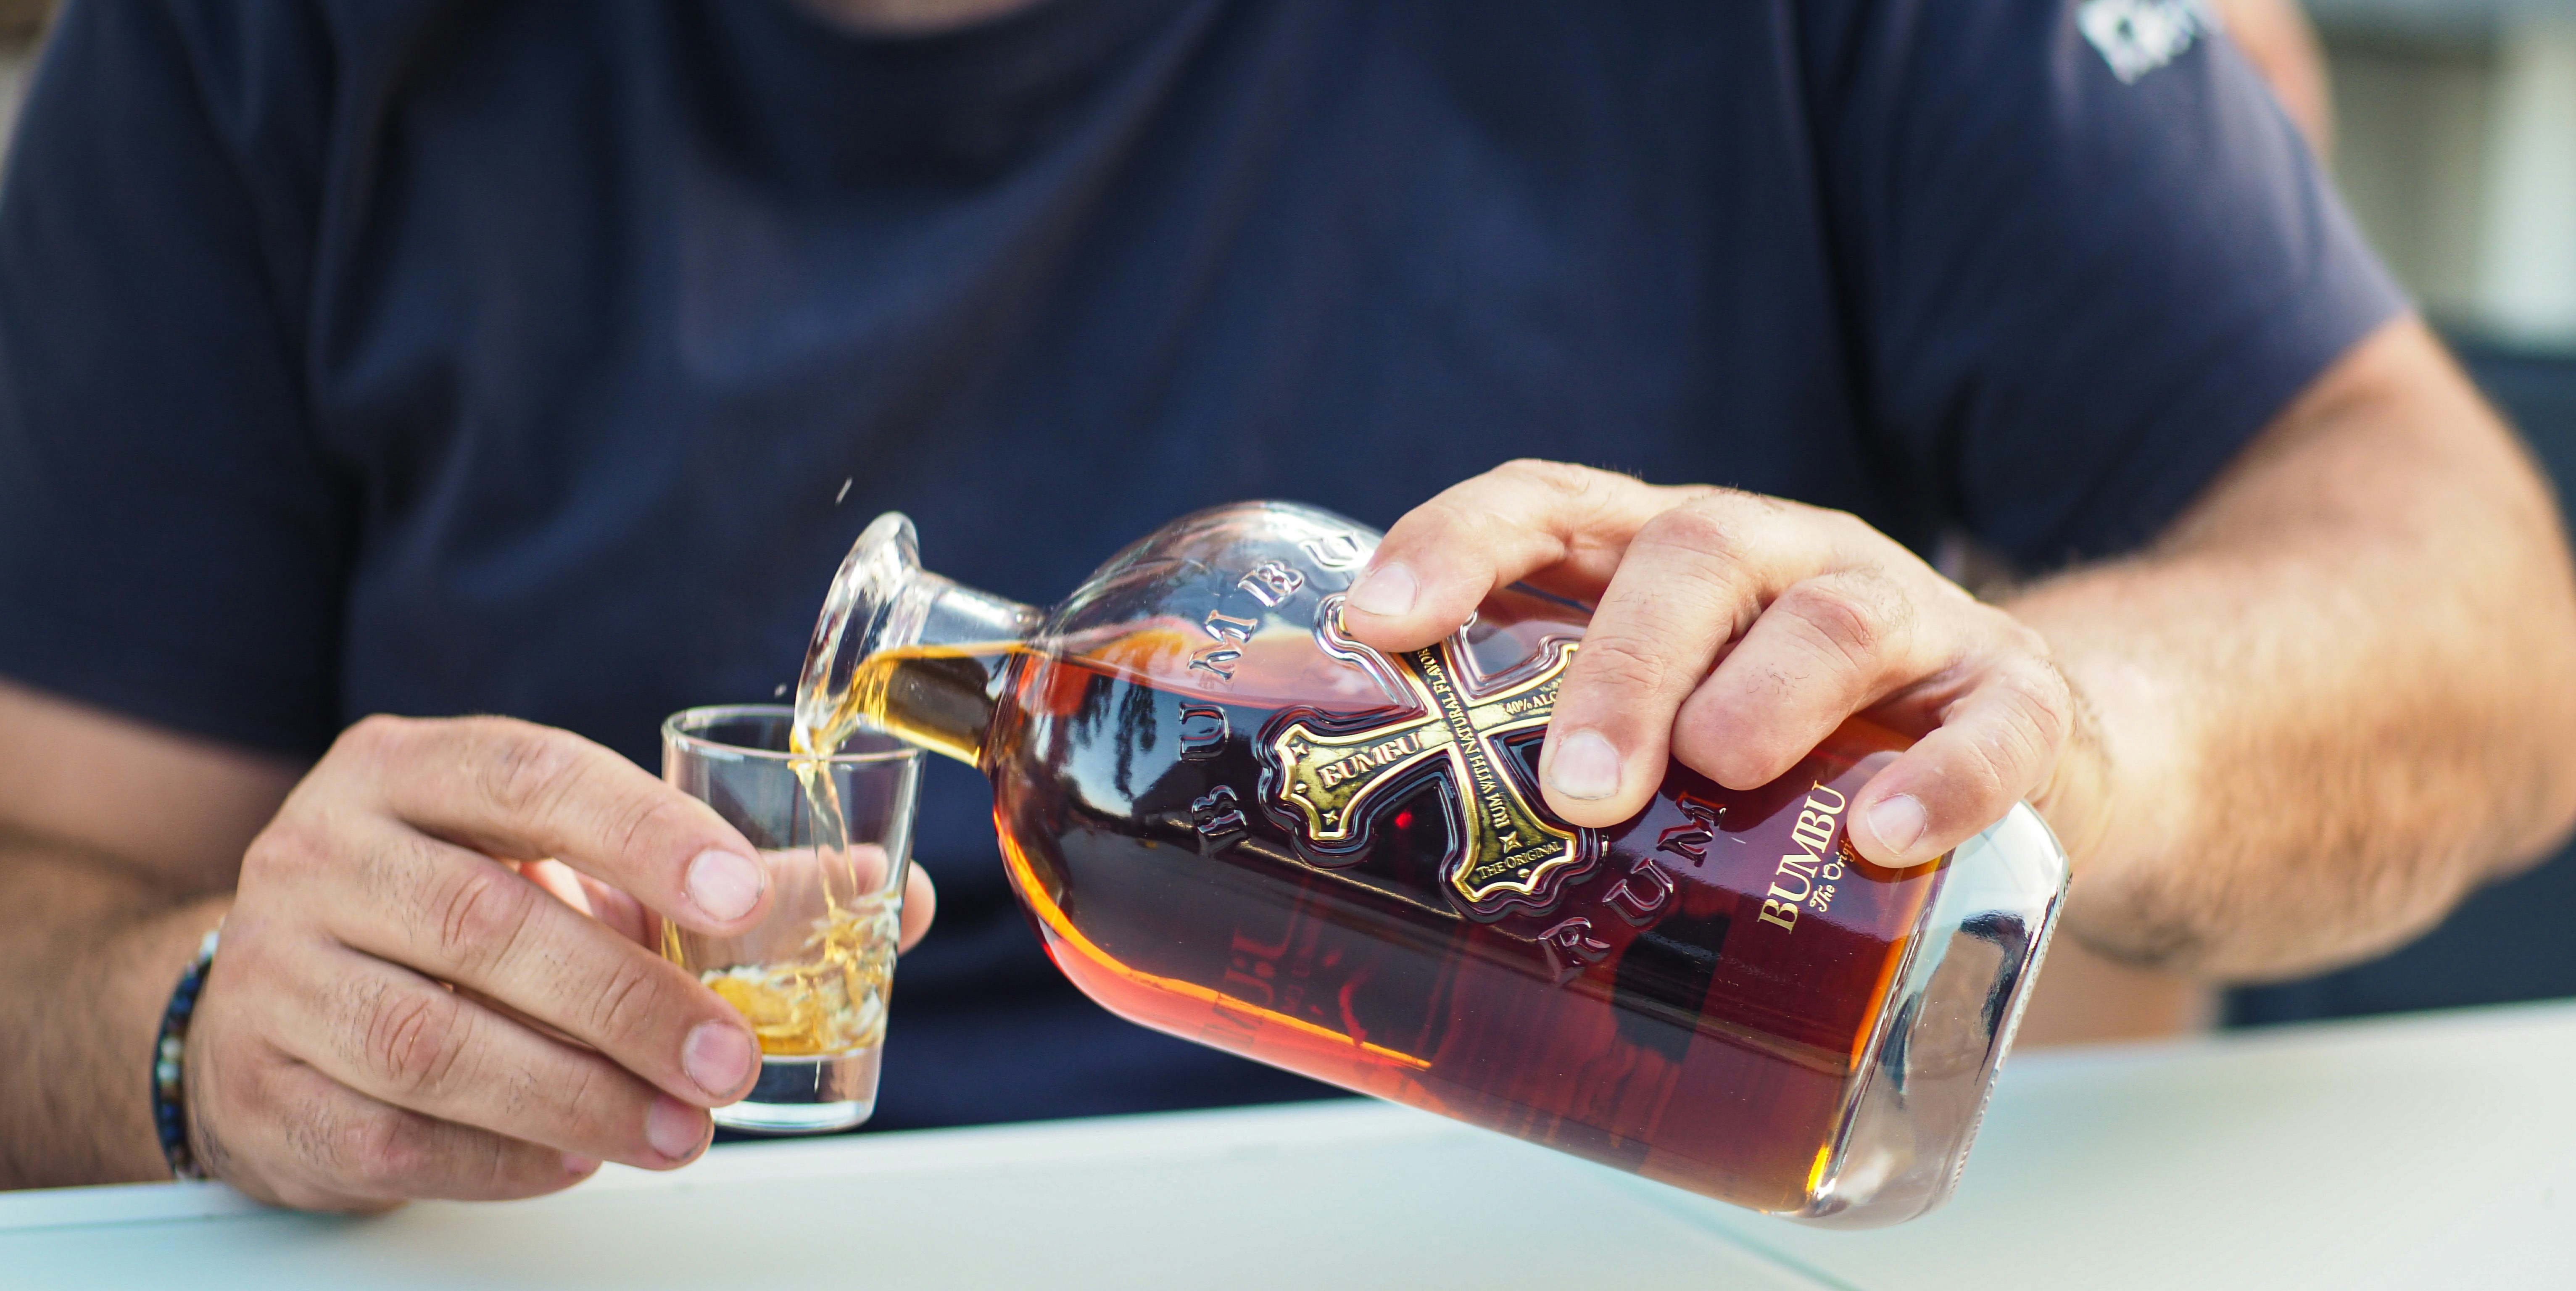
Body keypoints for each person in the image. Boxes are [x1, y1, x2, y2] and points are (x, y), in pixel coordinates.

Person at [3, 0, 2572, 1212]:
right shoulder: (249, 49)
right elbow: (42, 896)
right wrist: (208, 1018)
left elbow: (2472, 606)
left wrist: (2067, 727)